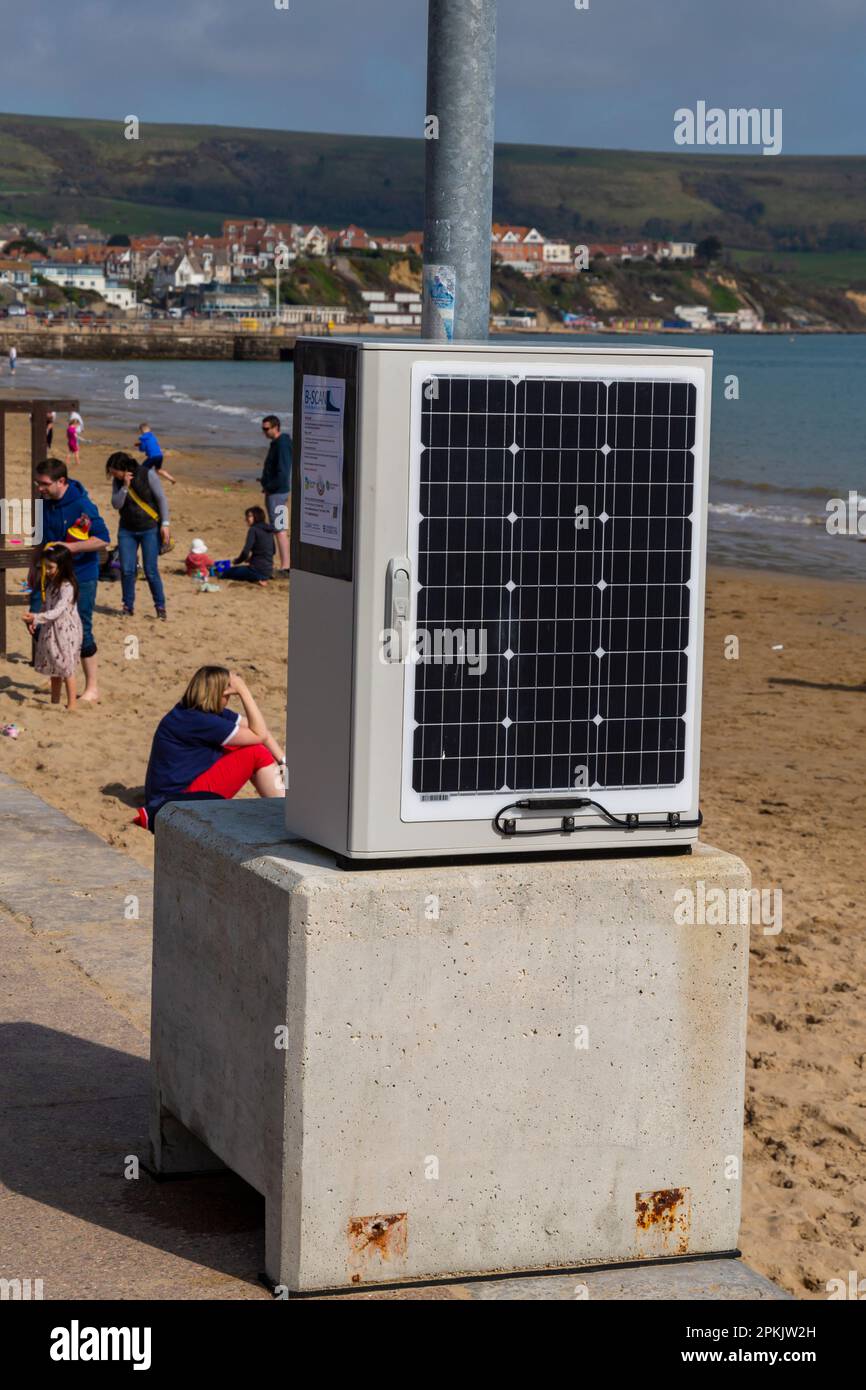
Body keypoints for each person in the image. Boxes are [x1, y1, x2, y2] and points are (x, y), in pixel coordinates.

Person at [136, 666, 285, 831]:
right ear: (217, 695)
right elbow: (260, 734)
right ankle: (284, 810)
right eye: (227, 696)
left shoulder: (192, 710)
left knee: (244, 744)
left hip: (169, 792)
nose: (228, 700)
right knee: (256, 752)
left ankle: (285, 802)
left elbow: (259, 729)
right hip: (176, 800)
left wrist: (284, 763)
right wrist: (244, 691)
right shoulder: (200, 721)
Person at [32, 459, 110, 703]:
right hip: (49, 573)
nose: (40, 488)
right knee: (42, 626)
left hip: (81, 576)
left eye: (44, 484)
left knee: (81, 629)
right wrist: (34, 567)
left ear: (61, 481)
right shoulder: (43, 504)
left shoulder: (81, 504)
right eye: (38, 483)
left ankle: (92, 687)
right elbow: (39, 539)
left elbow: (103, 539)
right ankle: (58, 672)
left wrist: (72, 547)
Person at [106, 451, 171, 620]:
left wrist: (165, 524)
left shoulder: (147, 474)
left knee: (150, 570)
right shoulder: (118, 482)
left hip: (149, 528)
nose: (113, 475)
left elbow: (162, 499)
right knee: (127, 570)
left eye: (114, 471)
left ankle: (160, 606)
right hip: (127, 530)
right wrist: (125, 487)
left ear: (123, 468)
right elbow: (116, 504)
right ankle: (128, 606)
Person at [23, 543, 82, 710]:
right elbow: (46, 606)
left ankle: (72, 705)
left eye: (50, 567)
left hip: (66, 632)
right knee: (54, 667)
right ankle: (55, 702)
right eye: (45, 567)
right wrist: (34, 620)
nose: (47, 571)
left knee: (66, 668)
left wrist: (36, 617)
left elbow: (58, 611)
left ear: (62, 566)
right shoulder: (51, 584)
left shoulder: (68, 586)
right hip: (51, 630)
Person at [259, 414, 291, 575]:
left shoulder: (282, 444)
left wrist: (270, 486)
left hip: (277, 493)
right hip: (276, 491)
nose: (264, 432)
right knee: (280, 527)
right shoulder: (278, 443)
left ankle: (286, 566)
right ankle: (286, 565)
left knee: (279, 528)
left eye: (266, 429)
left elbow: (283, 473)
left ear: (275, 427)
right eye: (262, 429)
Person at [224, 507, 274, 586]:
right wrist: (252, 558)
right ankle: (261, 579)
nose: (246, 519)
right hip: (268, 571)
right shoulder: (269, 530)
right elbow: (273, 550)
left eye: (249, 516)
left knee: (226, 572)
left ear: (257, 516)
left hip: (256, 570)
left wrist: (237, 561)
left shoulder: (253, 530)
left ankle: (257, 579)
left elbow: (245, 552)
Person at [136, 421, 177, 485]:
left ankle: (143, 482)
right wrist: (141, 444)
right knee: (158, 470)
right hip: (160, 456)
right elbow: (152, 445)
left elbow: (142, 449)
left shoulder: (143, 438)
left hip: (152, 457)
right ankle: (171, 479)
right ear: (149, 430)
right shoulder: (153, 437)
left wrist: (140, 446)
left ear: (141, 431)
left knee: (142, 469)